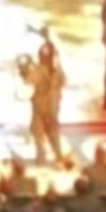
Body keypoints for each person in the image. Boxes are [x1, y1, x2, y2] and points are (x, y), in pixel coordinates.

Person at [23, 31, 66, 164]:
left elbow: (27, 85)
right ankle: (57, 158)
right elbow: (64, 82)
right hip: (52, 108)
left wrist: (25, 71)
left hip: (43, 108)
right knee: (52, 136)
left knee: (41, 136)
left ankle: (44, 159)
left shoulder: (39, 70)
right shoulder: (57, 70)